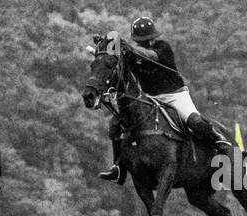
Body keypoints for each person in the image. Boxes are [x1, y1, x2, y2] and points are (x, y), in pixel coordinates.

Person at [98, 16, 233, 183]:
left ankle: (220, 142)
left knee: (195, 121)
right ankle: (118, 167)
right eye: (141, 40)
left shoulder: (163, 48)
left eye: (147, 40)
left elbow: (150, 56)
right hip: (150, 98)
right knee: (115, 124)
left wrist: (127, 46)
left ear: (153, 38)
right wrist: (105, 48)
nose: (145, 43)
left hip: (175, 95)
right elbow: (115, 62)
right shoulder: (134, 53)